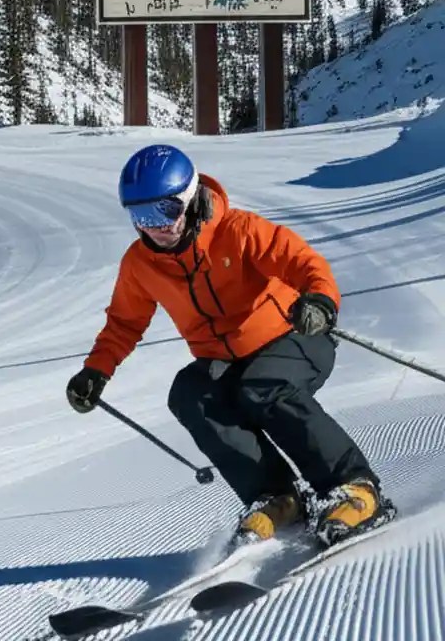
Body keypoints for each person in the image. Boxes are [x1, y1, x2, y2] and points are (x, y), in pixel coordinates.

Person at [65, 144, 393, 549]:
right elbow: (124, 323)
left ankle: (356, 488)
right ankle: (278, 497)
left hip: (295, 336)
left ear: (190, 198)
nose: (155, 227)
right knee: (190, 394)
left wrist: (320, 300)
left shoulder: (238, 231)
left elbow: (303, 261)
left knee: (263, 387)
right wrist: (96, 371)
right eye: (140, 216)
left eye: (164, 211)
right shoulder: (141, 264)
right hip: (224, 360)